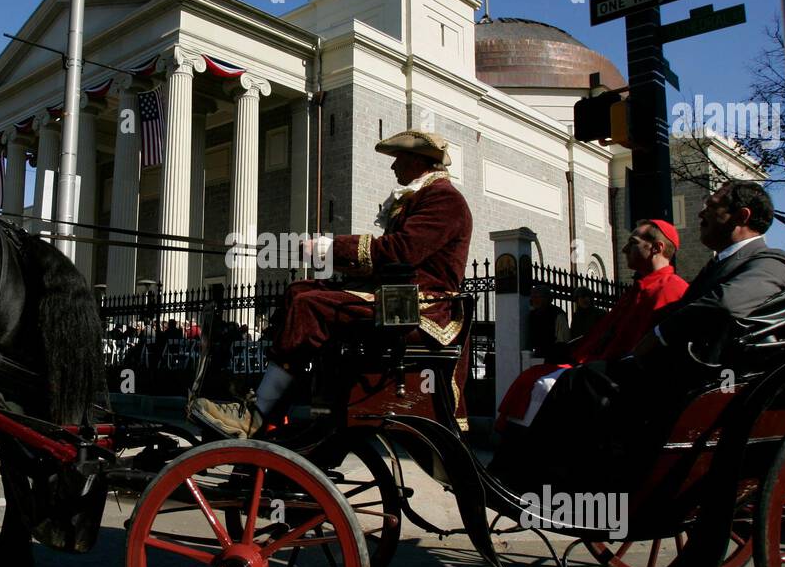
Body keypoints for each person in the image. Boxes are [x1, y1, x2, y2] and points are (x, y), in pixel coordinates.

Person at [191, 129, 473, 437]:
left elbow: (400, 252)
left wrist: (329, 247)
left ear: (420, 160)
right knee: (300, 289)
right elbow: (394, 259)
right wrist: (325, 253)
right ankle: (273, 393)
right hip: (398, 300)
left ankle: (259, 413)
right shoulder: (423, 197)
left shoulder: (444, 199)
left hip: (422, 308)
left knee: (309, 303)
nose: (393, 167)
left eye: (399, 159)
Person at [525, 180, 785, 471]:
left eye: (712, 204)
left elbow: (725, 305)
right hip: (682, 371)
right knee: (578, 381)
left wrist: (659, 334)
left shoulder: (771, 261)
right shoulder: (715, 265)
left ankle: (542, 480)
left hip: (714, 377)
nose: (701, 211)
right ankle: (535, 478)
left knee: (585, 383)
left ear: (741, 216)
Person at [498, 219, 687, 427]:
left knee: (545, 386)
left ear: (656, 248)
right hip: (602, 368)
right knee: (531, 379)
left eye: (632, 243)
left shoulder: (672, 290)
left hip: (622, 380)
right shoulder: (636, 290)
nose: (624, 249)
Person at [527, 286, 569, 362]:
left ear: (546, 299)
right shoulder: (532, 314)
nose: (534, 300)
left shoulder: (557, 314)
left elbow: (563, 339)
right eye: (533, 297)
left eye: (538, 297)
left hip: (554, 357)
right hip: (538, 356)